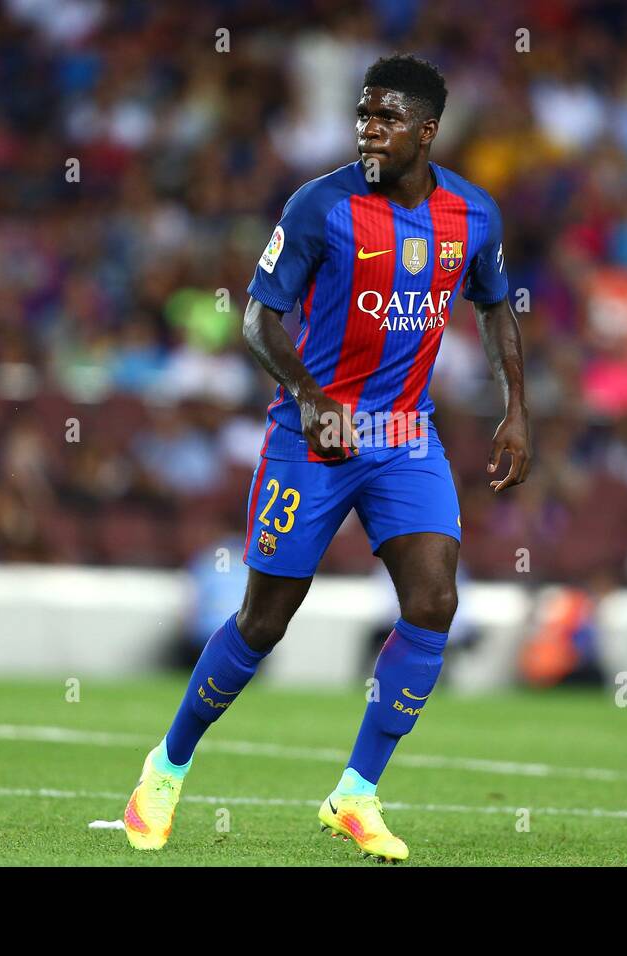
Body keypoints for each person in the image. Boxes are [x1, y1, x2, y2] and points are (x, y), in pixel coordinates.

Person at [122, 54, 531, 861]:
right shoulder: (321, 206)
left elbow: (497, 309)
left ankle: (357, 793)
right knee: (264, 620)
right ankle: (164, 769)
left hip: (405, 437)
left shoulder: (473, 216)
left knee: (434, 602)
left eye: (385, 118)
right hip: (311, 440)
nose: (368, 129)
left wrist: (518, 407)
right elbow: (256, 319)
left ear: (426, 130)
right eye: (363, 115)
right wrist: (310, 397)